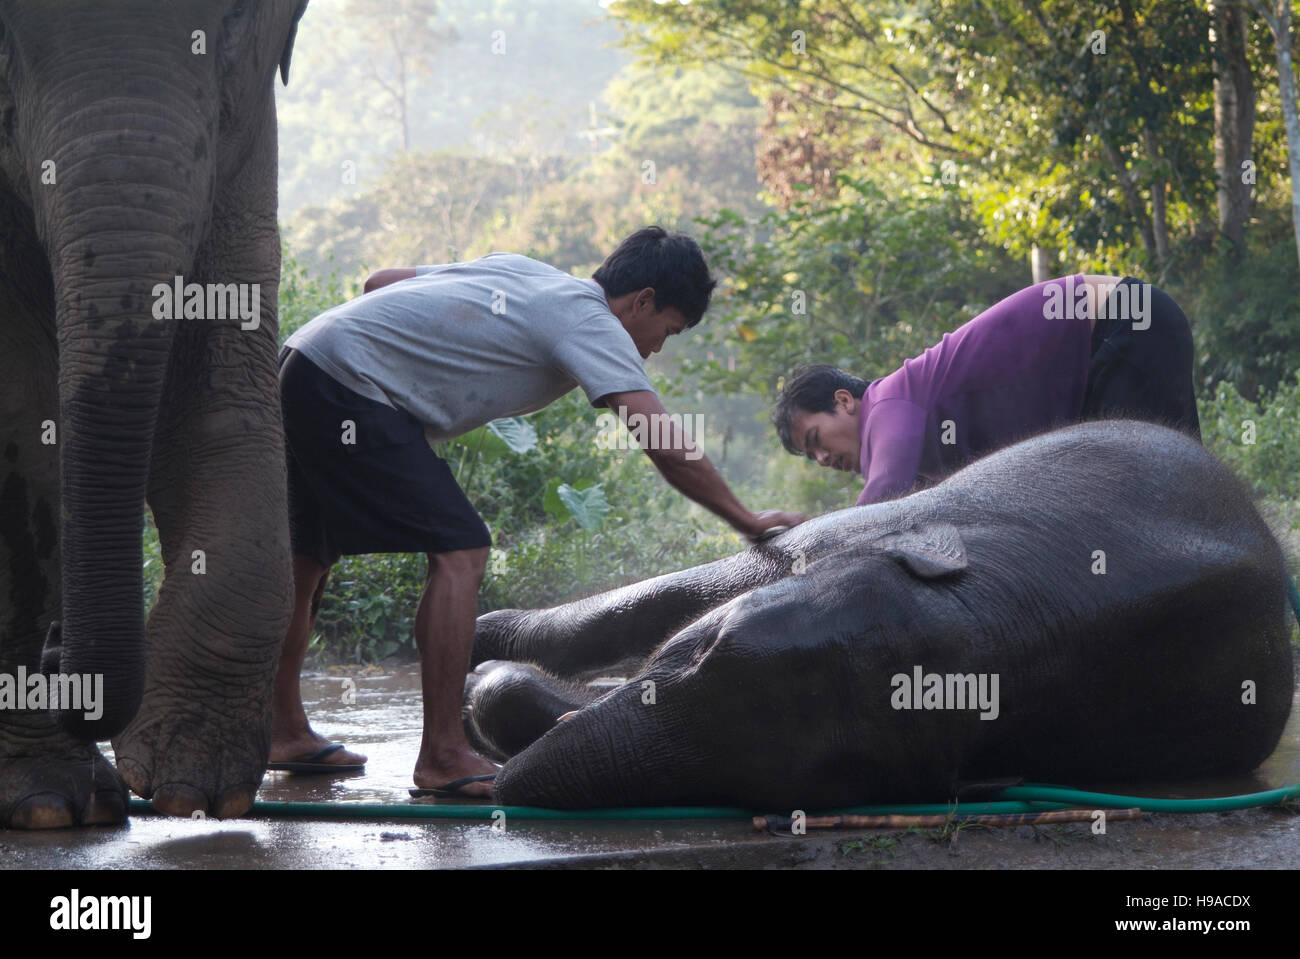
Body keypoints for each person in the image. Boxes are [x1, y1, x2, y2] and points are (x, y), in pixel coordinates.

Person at [271, 226, 806, 796]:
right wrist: (746, 519)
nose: (654, 348)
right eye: (665, 331)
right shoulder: (592, 319)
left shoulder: (527, 274)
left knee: (307, 561)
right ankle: (444, 755)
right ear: (643, 300)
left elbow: (379, 282)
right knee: (462, 550)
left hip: (304, 360)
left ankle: (282, 730)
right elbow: (658, 436)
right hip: (352, 388)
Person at [772, 273, 1201, 505]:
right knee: (1181, 499)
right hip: (1119, 343)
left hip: (1127, 321)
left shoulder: (889, 403)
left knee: (1147, 507)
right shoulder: (916, 452)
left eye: (815, 440)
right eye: (811, 457)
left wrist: (808, 547)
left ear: (844, 402)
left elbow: (879, 506)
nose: (823, 459)